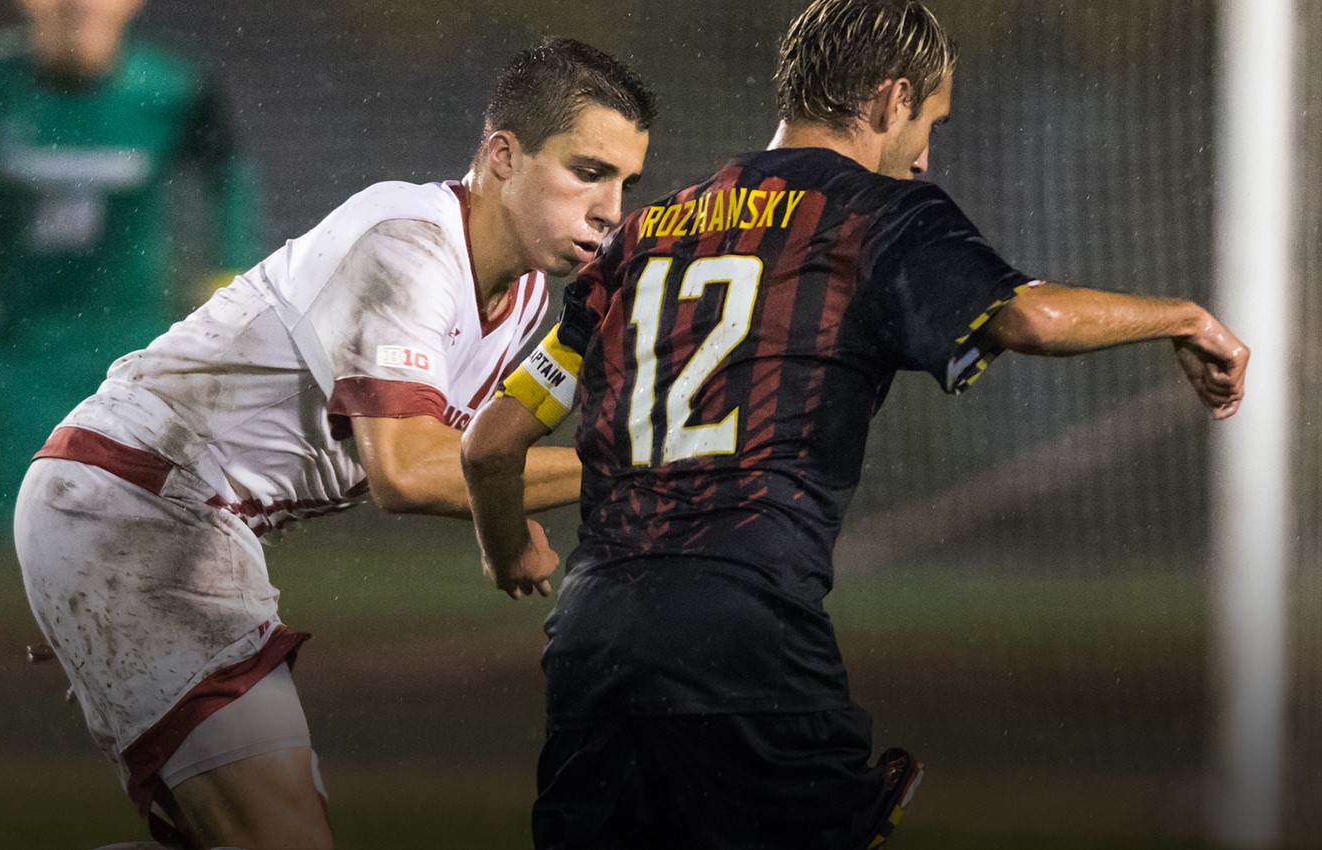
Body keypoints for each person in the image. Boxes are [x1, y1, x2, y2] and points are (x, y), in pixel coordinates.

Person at [459, 2, 1250, 848]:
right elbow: (1032, 317)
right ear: (892, 98)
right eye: (930, 122)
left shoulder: (643, 236)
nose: (926, 154)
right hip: (746, 637)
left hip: (593, 644)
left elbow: (490, 445)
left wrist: (508, 551)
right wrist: (1184, 317)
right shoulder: (875, 214)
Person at [12, 38, 653, 849]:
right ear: (502, 155)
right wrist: (645, 463)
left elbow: (481, 458)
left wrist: (505, 539)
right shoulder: (407, 242)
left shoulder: (524, 291)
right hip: (136, 511)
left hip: (162, 523)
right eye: (588, 172)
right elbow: (409, 472)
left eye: (626, 183)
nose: (611, 209)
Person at [0, 0, 265, 788]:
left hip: (126, 360)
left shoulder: (176, 92)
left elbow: (228, 178)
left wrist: (229, 281)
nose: (77, 8)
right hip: (0, 352)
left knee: (190, 556)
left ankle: (211, 762)